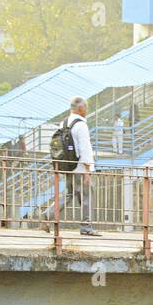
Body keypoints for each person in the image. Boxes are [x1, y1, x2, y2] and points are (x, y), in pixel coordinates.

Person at [65, 97, 101, 237]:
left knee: (68, 194)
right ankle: (86, 226)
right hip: (80, 168)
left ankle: (47, 215)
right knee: (87, 197)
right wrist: (87, 171)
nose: (86, 110)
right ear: (80, 108)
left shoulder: (65, 123)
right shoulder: (81, 125)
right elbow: (85, 149)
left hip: (68, 166)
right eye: (85, 107)